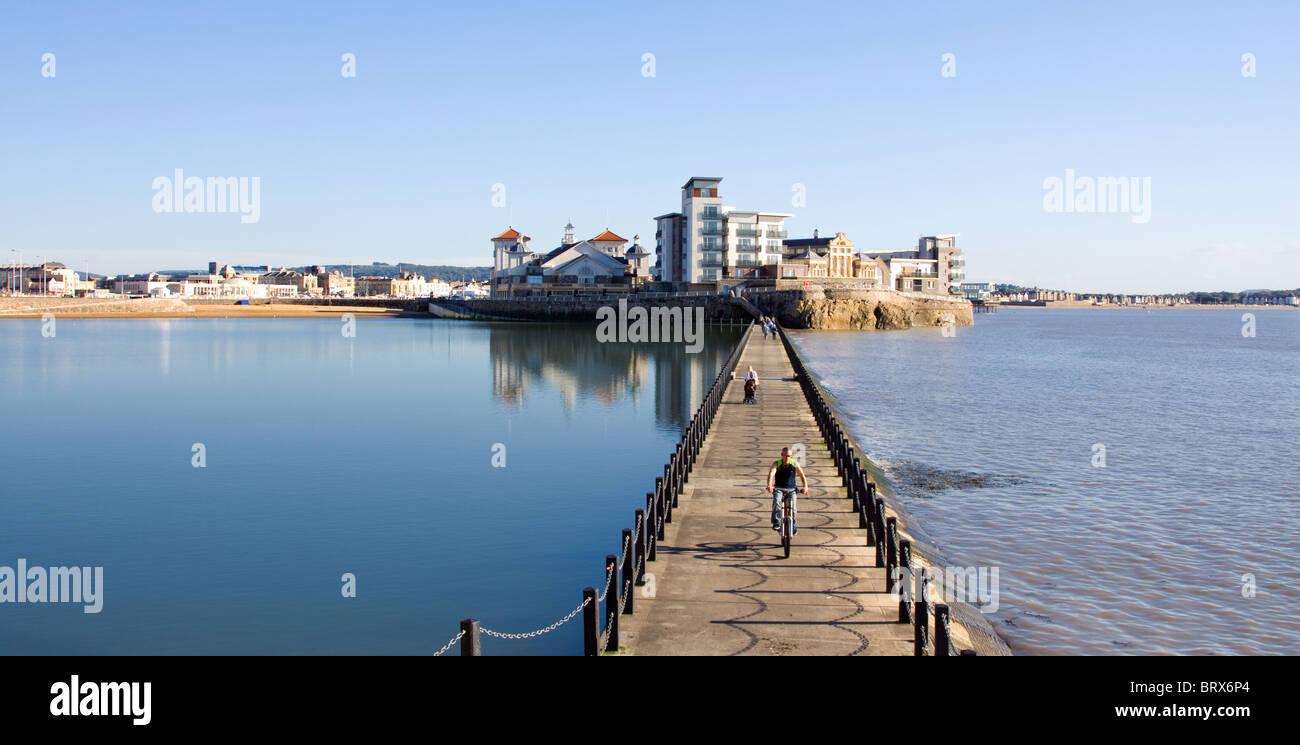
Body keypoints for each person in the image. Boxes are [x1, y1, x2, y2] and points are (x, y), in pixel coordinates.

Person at [766, 447, 808, 533]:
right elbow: (771, 474)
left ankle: (793, 524)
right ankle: (776, 523)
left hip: (791, 489)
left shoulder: (794, 464)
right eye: (785, 456)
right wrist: (769, 485)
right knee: (777, 502)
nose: (787, 458)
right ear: (782, 455)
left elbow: (802, 475)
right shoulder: (777, 464)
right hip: (779, 488)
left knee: (793, 507)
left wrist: (805, 486)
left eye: (789, 456)